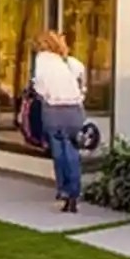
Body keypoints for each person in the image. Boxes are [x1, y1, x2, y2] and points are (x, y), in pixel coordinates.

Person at [32, 31, 87, 213]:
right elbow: (83, 87)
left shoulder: (42, 60)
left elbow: (40, 87)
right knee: (72, 152)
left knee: (59, 153)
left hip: (54, 110)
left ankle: (64, 191)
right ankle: (74, 194)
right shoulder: (72, 63)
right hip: (75, 111)